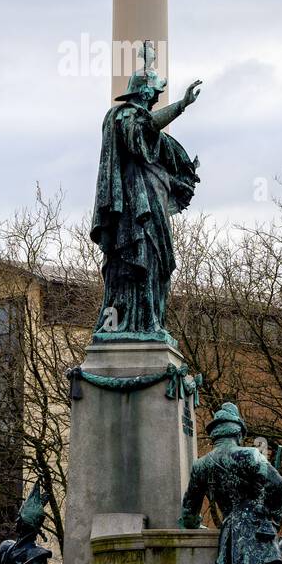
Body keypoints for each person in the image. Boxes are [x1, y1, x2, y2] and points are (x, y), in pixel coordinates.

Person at [90, 40, 201, 343]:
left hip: (153, 205)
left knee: (160, 264)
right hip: (133, 209)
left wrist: (185, 178)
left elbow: (172, 161)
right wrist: (180, 106)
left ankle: (151, 321)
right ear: (144, 92)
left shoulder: (152, 131)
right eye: (154, 92)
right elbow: (141, 133)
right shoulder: (121, 117)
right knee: (140, 258)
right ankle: (137, 321)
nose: (156, 97)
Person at [179, 402, 282, 564]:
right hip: (254, 536)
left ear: (215, 436)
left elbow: (189, 513)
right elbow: (277, 484)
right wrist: (272, 518)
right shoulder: (250, 455)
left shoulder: (201, 465)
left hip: (229, 538)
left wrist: (196, 523)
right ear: (238, 432)